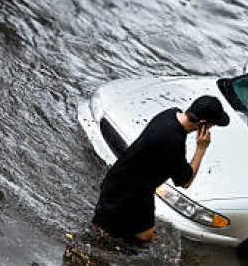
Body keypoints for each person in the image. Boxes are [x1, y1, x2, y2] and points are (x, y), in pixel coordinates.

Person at [92, 95, 230, 242]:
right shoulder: (173, 141)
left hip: (136, 186)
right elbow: (186, 182)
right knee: (104, 235)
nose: (211, 128)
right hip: (124, 192)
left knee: (145, 235)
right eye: (212, 124)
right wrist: (201, 149)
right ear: (203, 124)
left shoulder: (170, 113)